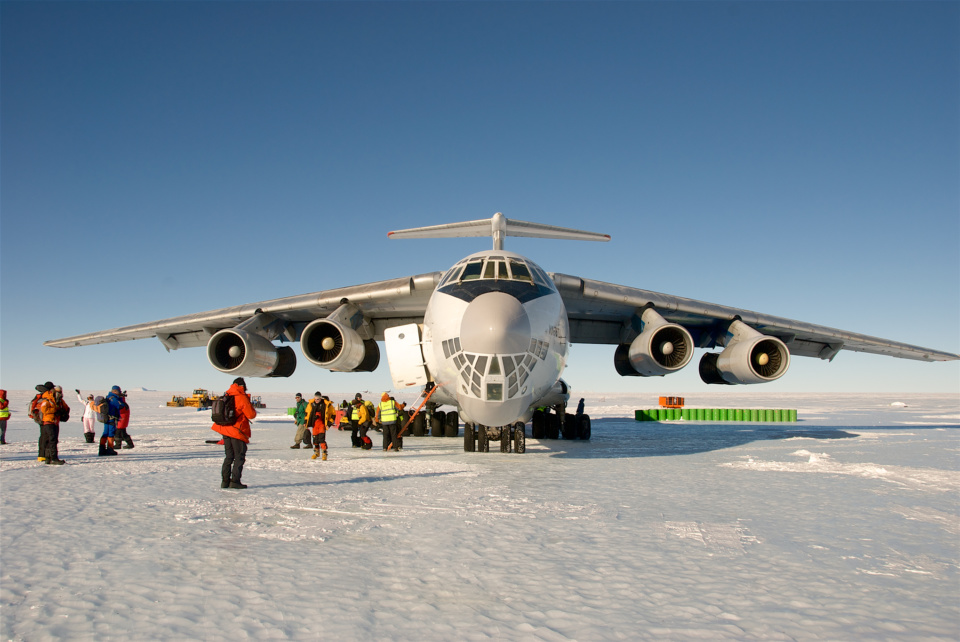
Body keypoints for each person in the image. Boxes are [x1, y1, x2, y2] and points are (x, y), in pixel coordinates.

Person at [211, 377, 257, 489]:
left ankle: (225, 481)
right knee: (239, 456)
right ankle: (235, 481)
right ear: (243, 386)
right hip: (237, 431)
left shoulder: (227, 394)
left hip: (225, 429)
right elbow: (251, 415)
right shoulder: (241, 397)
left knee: (229, 456)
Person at [38, 384, 69, 465]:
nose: (60, 394)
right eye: (58, 392)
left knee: (52, 440)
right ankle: (53, 458)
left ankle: (48, 458)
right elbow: (44, 409)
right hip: (48, 422)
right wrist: (55, 410)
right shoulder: (47, 400)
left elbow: (66, 408)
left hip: (55, 422)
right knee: (52, 440)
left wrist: (63, 412)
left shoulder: (60, 401)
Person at [305, 392, 331, 460]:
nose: (316, 400)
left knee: (321, 439)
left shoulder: (325, 405)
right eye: (315, 399)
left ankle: (324, 453)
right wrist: (306, 422)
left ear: (320, 399)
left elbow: (332, 415)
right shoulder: (311, 404)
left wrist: (329, 424)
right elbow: (307, 413)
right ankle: (316, 452)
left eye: (318, 399)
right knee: (315, 439)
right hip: (314, 424)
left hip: (321, 424)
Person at [99, 386, 123, 456]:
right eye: (119, 391)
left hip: (106, 418)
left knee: (105, 433)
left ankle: (102, 449)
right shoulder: (114, 398)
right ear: (115, 391)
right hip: (111, 418)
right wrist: (121, 399)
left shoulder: (108, 397)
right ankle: (110, 448)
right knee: (111, 433)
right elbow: (120, 406)